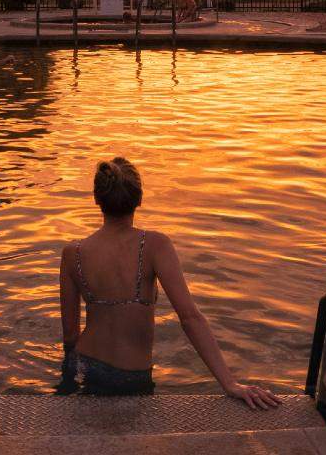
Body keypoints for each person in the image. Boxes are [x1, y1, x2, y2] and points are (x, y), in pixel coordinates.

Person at [59, 158, 279, 406]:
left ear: (96, 199)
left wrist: (68, 381)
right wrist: (230, 383)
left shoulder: (73, 252)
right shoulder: (155, 245)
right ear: (139, 199)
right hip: (133, 376)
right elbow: (190, 317)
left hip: (86, 364)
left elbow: (70, 334)